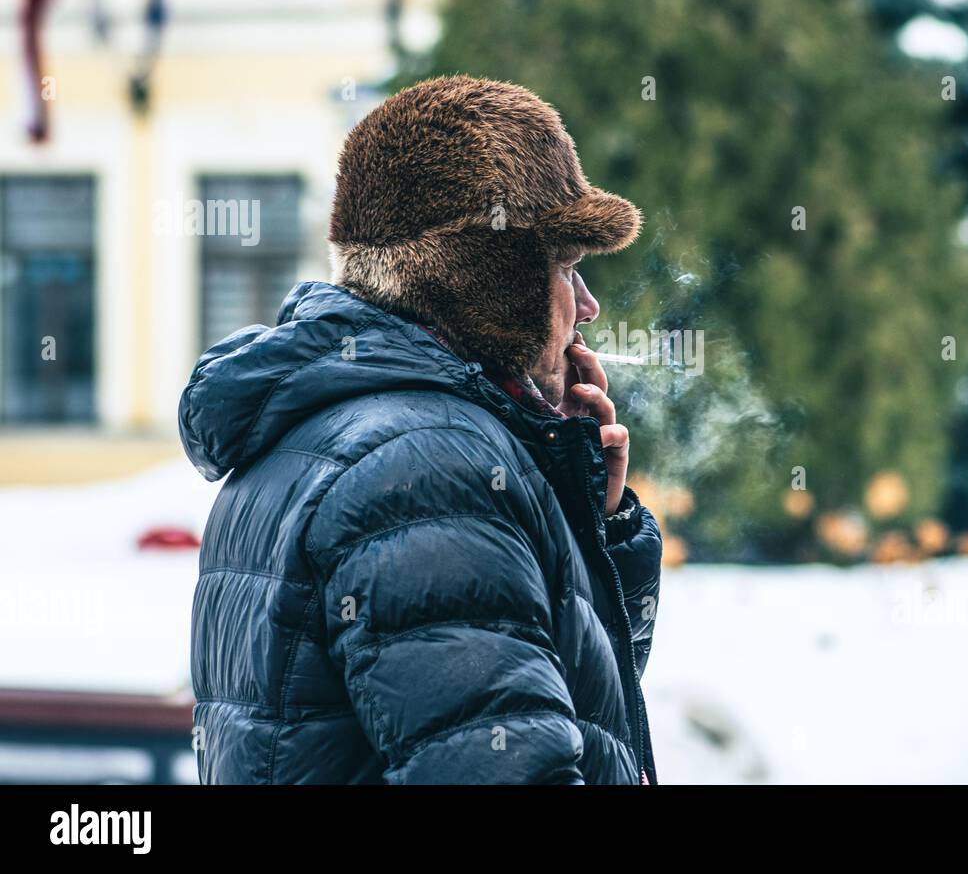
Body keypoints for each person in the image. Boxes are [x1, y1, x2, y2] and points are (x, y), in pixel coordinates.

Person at [179, 75, 661, 784]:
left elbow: (550, 703)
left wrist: (591, 520)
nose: (586, 307)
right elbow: (501, 762)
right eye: (564, 269)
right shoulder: (431, 469)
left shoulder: (321, 429)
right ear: (492, 279)